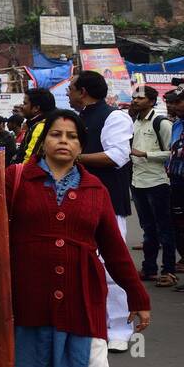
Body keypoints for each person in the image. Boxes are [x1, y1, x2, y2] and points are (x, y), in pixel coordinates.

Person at [5, 109, 151, 367]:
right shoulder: (15, 180)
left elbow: (115, 249)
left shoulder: (94, 189)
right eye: (56, 134)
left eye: (72, 136)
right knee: (30, 363)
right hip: (29, 294)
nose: (64, 141)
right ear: (44, 141)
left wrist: (137, 295)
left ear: (82, 145)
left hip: (82, 297)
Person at [67, 71, 136, 352]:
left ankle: (120, 327)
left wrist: (74, 157)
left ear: (83, 91)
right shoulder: (78, 118)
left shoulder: (114, 117)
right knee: (78, 263)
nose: (69, 94)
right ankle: (92, 323)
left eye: (71, 89)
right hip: (77, 201)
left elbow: (117, 156)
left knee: (110, 265)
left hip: (107, 202)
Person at [128, 85, 177, 286]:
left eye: (139, 98)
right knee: (147, 228)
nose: (135, 101)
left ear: (150, 100)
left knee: (164, 228)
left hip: (158, 182)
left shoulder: (161, 123)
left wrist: (146, 154)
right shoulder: (135, 122)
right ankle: (149, 268)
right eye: (134, 98)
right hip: (138, 182)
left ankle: (169, 271)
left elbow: (173, 154)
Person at [166, 88, 184, 288]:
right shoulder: (177, 125)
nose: (174, 105)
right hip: (176, 183)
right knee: (181, 228)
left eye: (179, 102)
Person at [14, 88, 56, 164]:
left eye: (25, 103)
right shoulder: (42, 123)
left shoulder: (40, 127)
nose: (21, 107)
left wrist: (17, 173)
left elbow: (29, 160)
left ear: (36, 108)